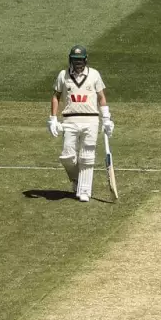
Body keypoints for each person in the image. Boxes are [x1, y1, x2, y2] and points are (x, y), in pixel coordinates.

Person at [48, 45, 114, 202]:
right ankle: (77, 179)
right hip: (70, 119)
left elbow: (101, 97)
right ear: (71, 60)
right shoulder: (63, 75)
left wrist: (106, 119)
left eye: (81, 60)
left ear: (85, 60)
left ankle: (84, 189)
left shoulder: (94, 75)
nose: (78, 63)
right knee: (67, 156)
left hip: (91, 119)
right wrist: (53, 119)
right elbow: (56, 96)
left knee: (87, 156)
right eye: (75, 60)